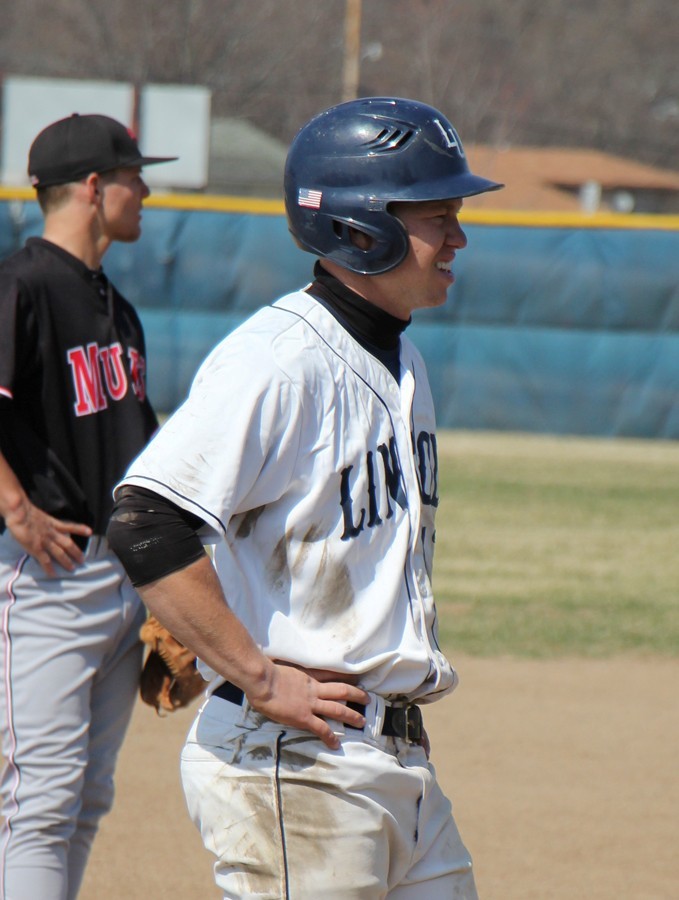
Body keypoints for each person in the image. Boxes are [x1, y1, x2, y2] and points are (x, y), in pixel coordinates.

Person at [107, 96, 503, 898]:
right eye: (438, 216)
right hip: (296, 760)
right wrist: (256, 675)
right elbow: (146, 520)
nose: (457, 237)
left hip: (392, 760)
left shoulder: (404, 364)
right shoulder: (280, 361)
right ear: (362, 226)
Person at [0, 113, 176, 899]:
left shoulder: (117, 307)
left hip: (118, 581)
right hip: (44, 577)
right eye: (135, 177)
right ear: (94, 187)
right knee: (38, 803)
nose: (146, 192)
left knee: (84, 800)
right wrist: (16, 507)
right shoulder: (22, 285)